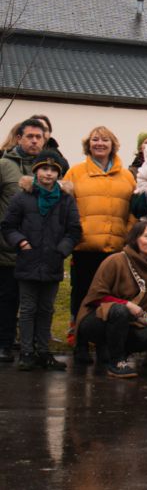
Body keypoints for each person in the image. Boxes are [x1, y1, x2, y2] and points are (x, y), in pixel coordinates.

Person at [74, 221, 147, 378]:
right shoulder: (116, 260)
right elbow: (97, 296)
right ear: (135, 238)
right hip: (96, 320)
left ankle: (117, 352)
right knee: (120, 311)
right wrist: (126, 304)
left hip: (128, 323)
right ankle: (117, 362)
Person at [63, 126, 136, 365]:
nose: (100, 144)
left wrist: (127, 238)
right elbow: (66, 209)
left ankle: (104, 344)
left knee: (109, 299)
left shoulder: (126, 176)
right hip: (85, 248)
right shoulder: (75, 173)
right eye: (95, 139)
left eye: (105, 140)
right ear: (88, 144)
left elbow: (132, 213)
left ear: (112, 144)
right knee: (82, 298)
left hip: (114, 250)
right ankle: (81, 344)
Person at [2, 148, 79, 370]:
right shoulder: (22, 198)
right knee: (27, 308)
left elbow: (74, 230)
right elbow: (8, 225)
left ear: (59, 174)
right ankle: (27, 351)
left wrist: (61, 250)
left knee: (46, 308)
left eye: (53, 170)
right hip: (27, 261)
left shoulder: (65, 200)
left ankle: (43, 350)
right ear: (36, 172)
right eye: (44, 169)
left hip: (52, 262)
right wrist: (21, 243)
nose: (48, 174)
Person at [0, 118, 47, 363]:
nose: (34, 141)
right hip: (8, 246)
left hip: (38, 248)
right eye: (29, 136)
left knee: (33, 302)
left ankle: (33, 346)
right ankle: (4, 343)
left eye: (39, 137)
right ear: (19, 138)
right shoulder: (4, 165)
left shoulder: (48, 167)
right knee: (7, 299)